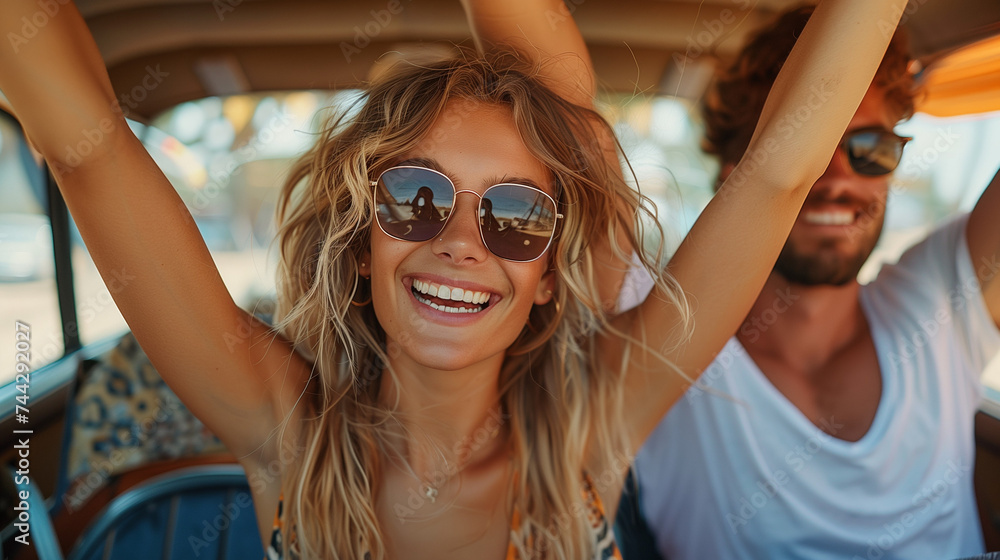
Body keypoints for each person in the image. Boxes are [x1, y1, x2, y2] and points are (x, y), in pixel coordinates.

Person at [0, 0, 908, 557]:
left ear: (551, 275)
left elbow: (779, 173)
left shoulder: (592, 425)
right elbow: (85, 148)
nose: (464, 241)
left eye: (515, 217)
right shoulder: (288, 429)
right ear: (362, 245)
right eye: (417, 198)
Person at [632, 6, 1000, 560]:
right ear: (735, 177)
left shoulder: (940, 300)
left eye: (870, 149)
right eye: (805, 154)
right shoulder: (655, 347)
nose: (839, 182)